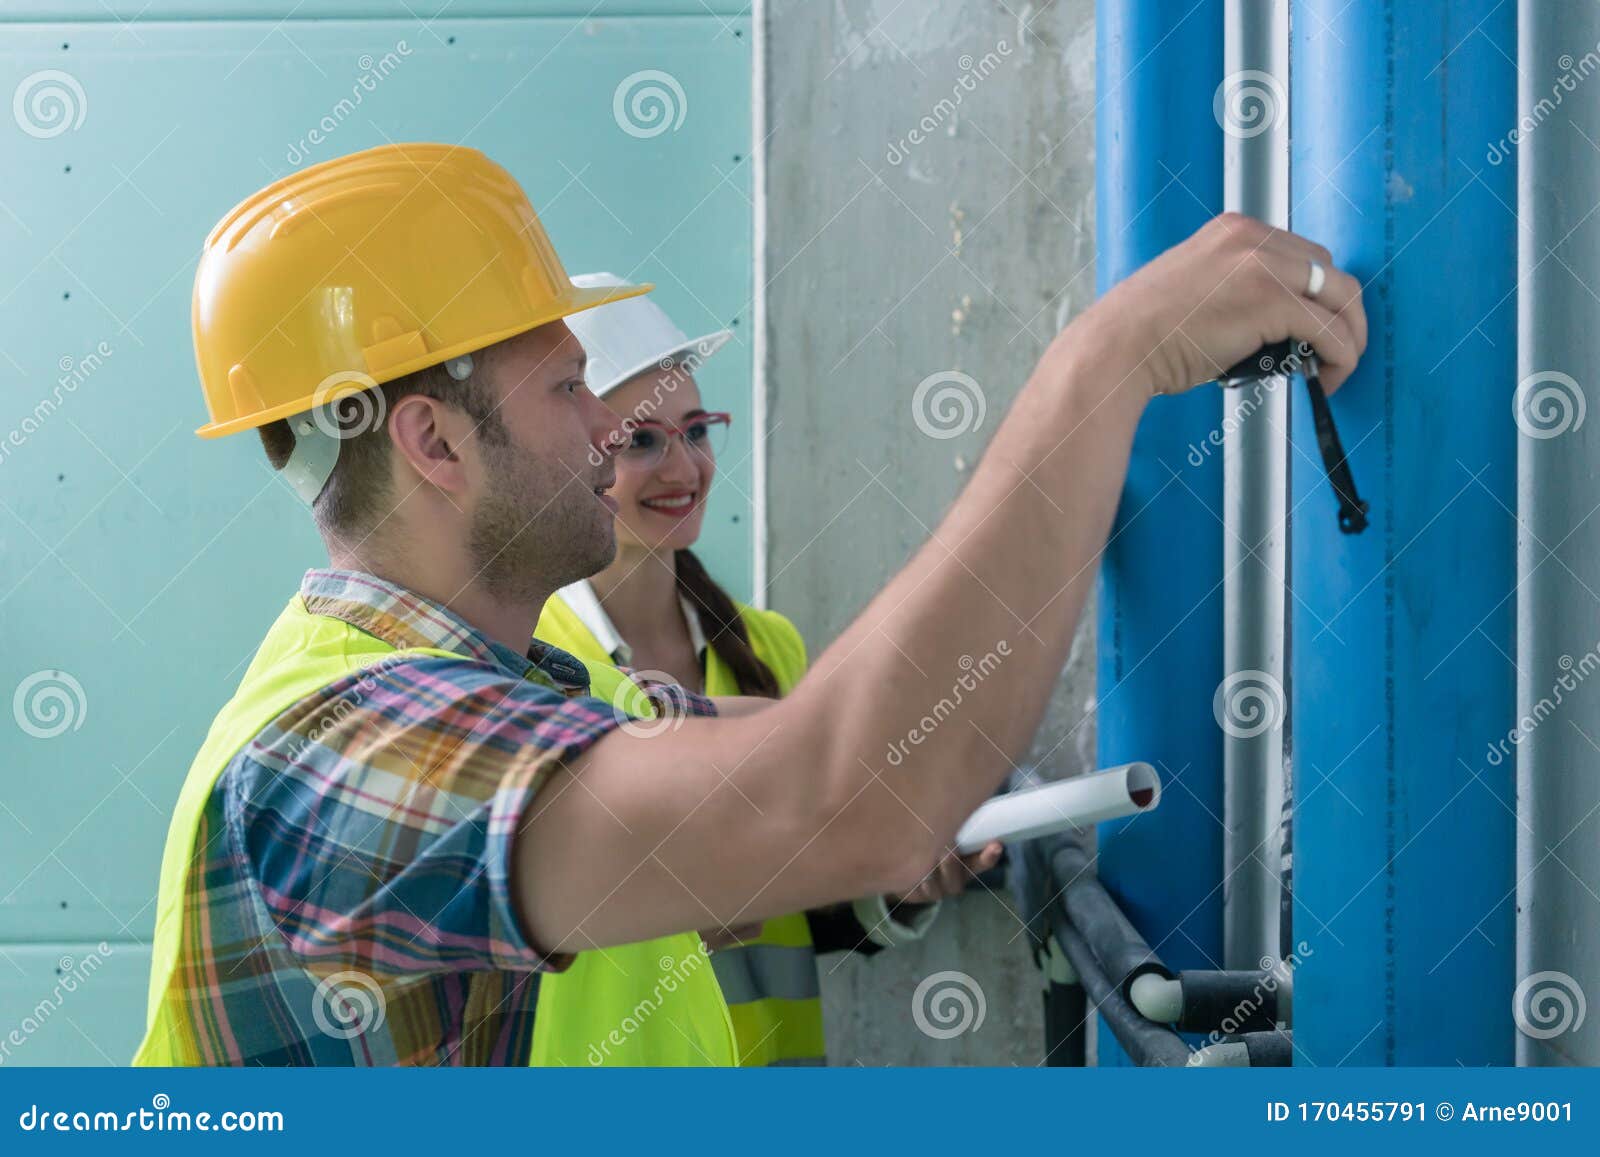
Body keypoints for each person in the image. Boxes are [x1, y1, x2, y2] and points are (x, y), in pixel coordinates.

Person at [136, 142, 1365, 1066]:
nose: (609, 431)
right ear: (433, 443)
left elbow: (803, 780)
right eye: (571, 386)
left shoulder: (512, 694)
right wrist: (1111, 363)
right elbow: (841, 788)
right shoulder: (346, 746)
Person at [530, 276, 1003, 1066]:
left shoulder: (766, 647)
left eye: (697, 431)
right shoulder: (531, 659)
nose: (685, 466)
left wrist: (896, 875)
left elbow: (809, 908)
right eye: (642, 440)